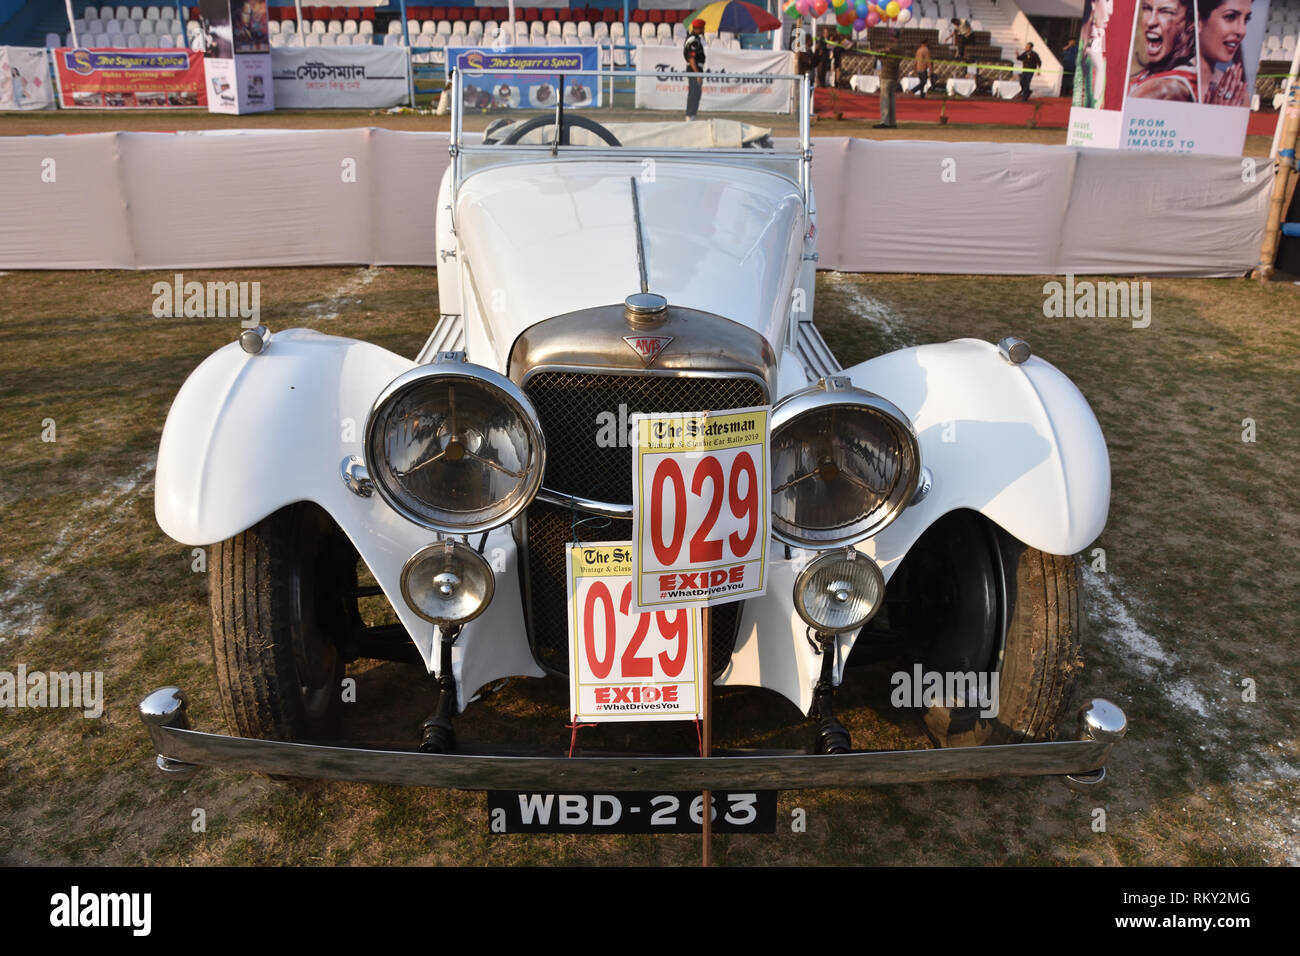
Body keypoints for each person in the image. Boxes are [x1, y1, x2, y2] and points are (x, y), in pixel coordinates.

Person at [1127, 0, 1198, 100]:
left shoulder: (1166, 89)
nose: (1150, 22)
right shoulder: (1151, 75)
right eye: (1147, 8)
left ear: (1191, 22)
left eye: (1166, 12)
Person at [1197, 0, 1252, 106]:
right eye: (1230, 17)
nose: (1242, 31)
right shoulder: (1168, 86)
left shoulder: (1236, 91)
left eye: (1246, 19)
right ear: (1198, 20)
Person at [684, 17, 706, 120]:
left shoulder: (695, 39)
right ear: (699, 28)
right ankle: (690, 116)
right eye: (703, 27)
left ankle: (692, 115)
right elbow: (691, 58)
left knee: (697, 93)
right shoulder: (693, 40)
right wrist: (697, 74)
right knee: (694, 93)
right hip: (694, 69)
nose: (704, 29)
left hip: (696, 69)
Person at [875, 36, 900, 128]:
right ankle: (892, 122)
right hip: (894, 76)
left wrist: (881, 51)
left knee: (885, 100)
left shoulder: (891, 49)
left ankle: (885, 122)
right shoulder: (899, 48)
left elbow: (879, 53)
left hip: (886, 75)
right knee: (892, 100)